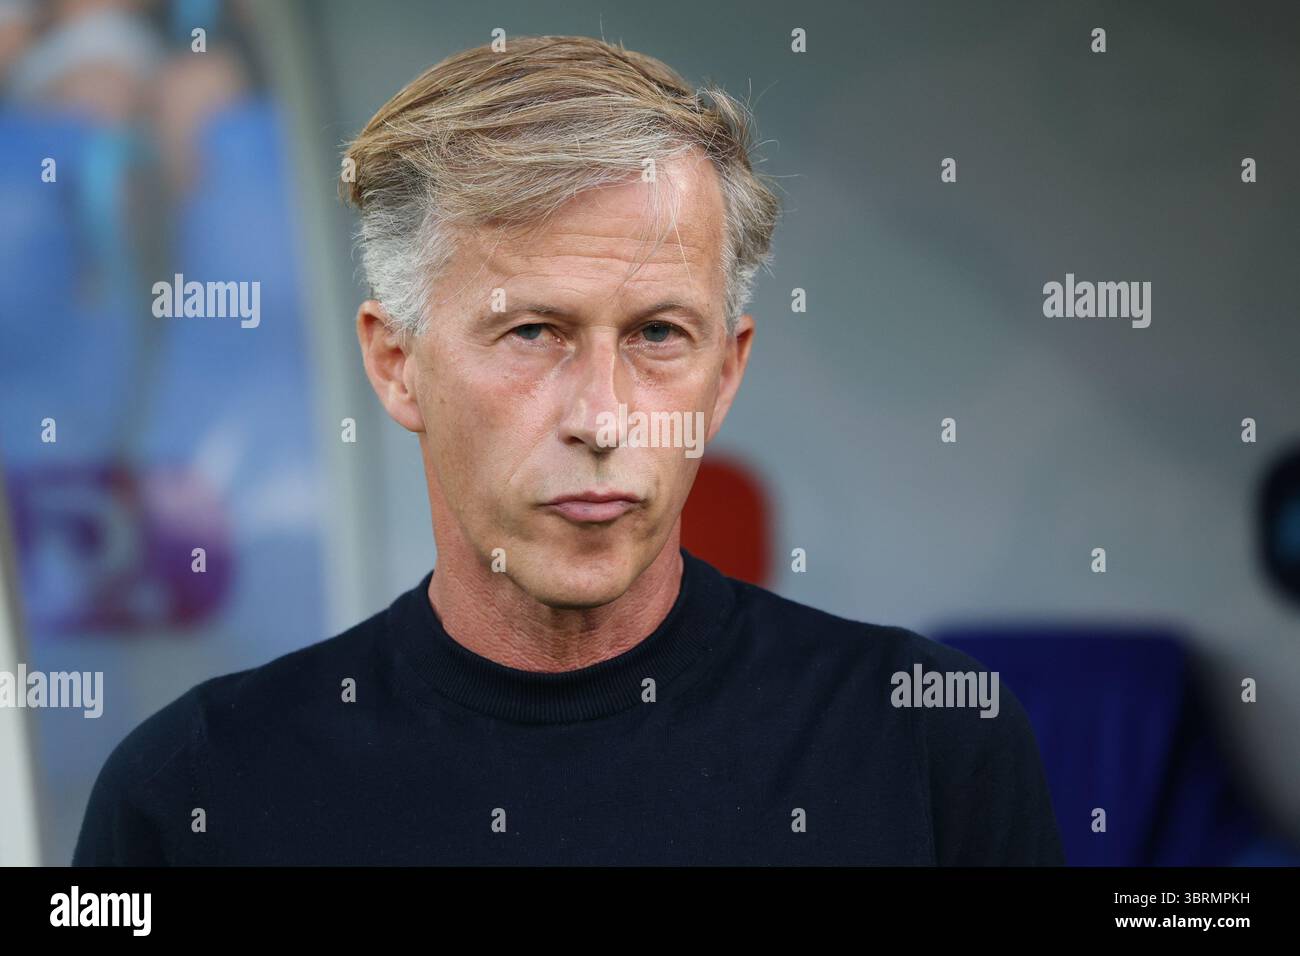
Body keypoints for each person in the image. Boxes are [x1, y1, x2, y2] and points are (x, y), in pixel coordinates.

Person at [73, 34, 1064, 865]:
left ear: (726, 371)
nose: (601, 416)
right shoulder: (193, 792)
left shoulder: (927, 743)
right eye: (531, 332)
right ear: (394, 362)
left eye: (658, 335)